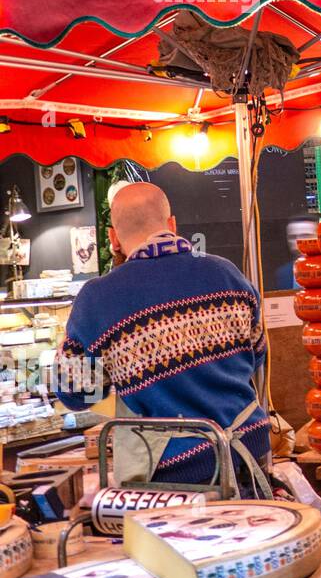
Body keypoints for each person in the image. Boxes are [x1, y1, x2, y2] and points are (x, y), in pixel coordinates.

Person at [54, 183, 269, 489]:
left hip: (176, 472)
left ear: (113, 239)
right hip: (251, 446)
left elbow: (76, 395)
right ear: (172, 225)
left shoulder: (97, 298)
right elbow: (256, 354)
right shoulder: (229, 274)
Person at [271, 217, 318, 291]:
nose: (298, 242)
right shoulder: (282, 274)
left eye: (305, 236)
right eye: (293, 237)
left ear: (318, 238)